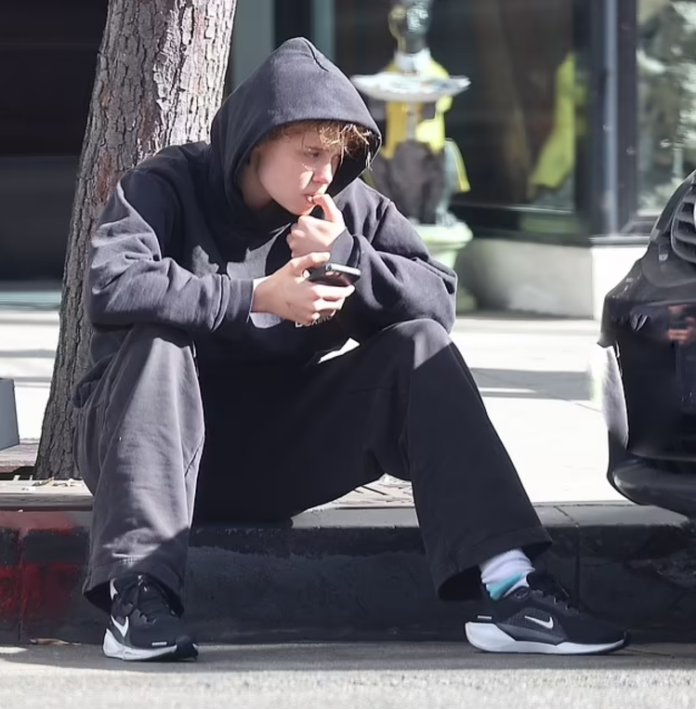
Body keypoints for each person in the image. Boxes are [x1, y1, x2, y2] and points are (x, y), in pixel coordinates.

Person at [72, 37, 628, 662]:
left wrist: (347, 257)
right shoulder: (168, 184)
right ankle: (137, 596)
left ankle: (513, 587)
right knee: (159, 340)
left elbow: (439, 302)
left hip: (271, 456)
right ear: (258, 141)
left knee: (419, 345)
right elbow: (113, 284)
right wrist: (255, 296)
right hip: (146, 453)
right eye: (310, 153)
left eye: (335, 158)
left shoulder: (346, 209)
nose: (325, 174)